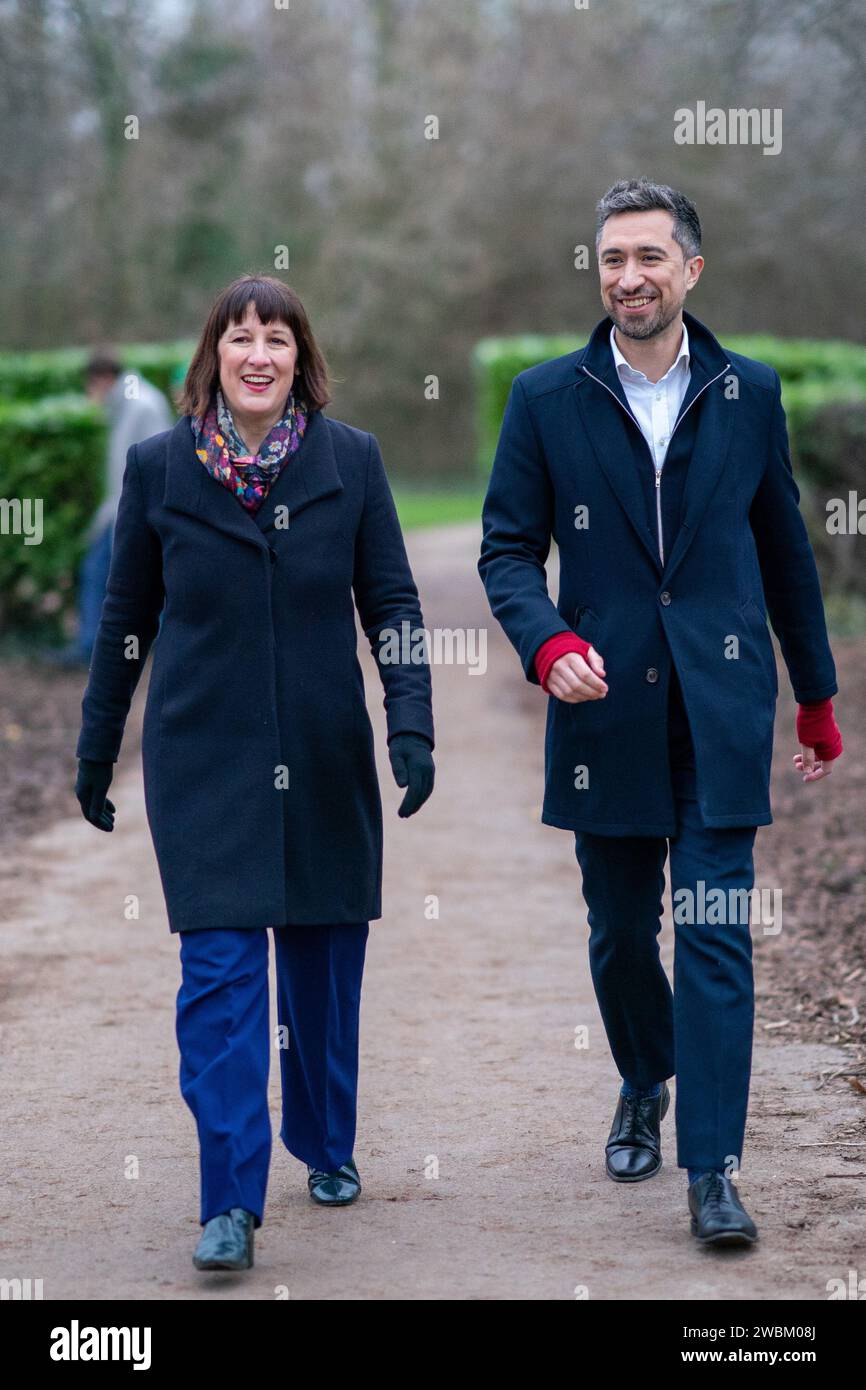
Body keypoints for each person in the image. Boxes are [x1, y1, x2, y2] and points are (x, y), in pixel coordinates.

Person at [478, 178, 843, 1248]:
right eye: (609, 259)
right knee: (616, 933)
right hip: (601, 712)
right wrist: (546, 643)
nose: (626, 277)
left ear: (690, 268)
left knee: (716, 932)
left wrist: (814, 696)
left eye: (647, 257)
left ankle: (712, 1170)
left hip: (721, 705)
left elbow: (783, 553)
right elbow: (505, 548)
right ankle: (642, 1077)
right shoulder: (545, 398)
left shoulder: (750, 391)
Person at [74, 275, 435, 1271]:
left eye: (276, 336)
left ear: (299, 356)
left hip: (321, 755)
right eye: (240, 337)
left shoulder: (350, 460)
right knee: (221, 981)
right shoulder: (158, 467)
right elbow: (125, 623)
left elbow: (392, 598)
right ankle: (227, 1200)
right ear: (214, 356)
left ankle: (323, 1140)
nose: (258, 353)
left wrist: (411, 719)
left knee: (321, 968)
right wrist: (96, 745)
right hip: (203, 763)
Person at [54, 351, 173, 667]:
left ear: (103, 379)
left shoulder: (139, 405)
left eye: (90, 387)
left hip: (133, 512)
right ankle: (101, 643)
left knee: (102, 572)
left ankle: (91, 646)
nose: (90, 395)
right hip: (127, 511)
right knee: (120, 575)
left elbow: (147, 468)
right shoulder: (131, 403)